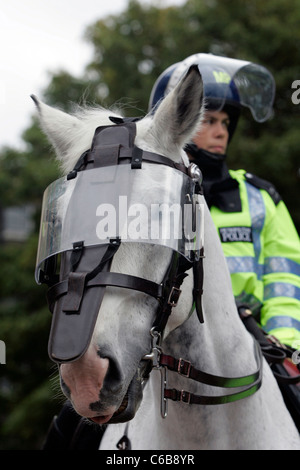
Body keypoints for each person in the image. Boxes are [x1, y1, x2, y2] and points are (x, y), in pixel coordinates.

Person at [149, 53, 300, 350]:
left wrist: (283, 344)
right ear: (178, 122)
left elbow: (286, 277)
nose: (221, 132)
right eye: (209, 120)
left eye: (226, 122)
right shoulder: (153, 196)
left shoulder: (260, 197)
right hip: (167, 349)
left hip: (254, 344)